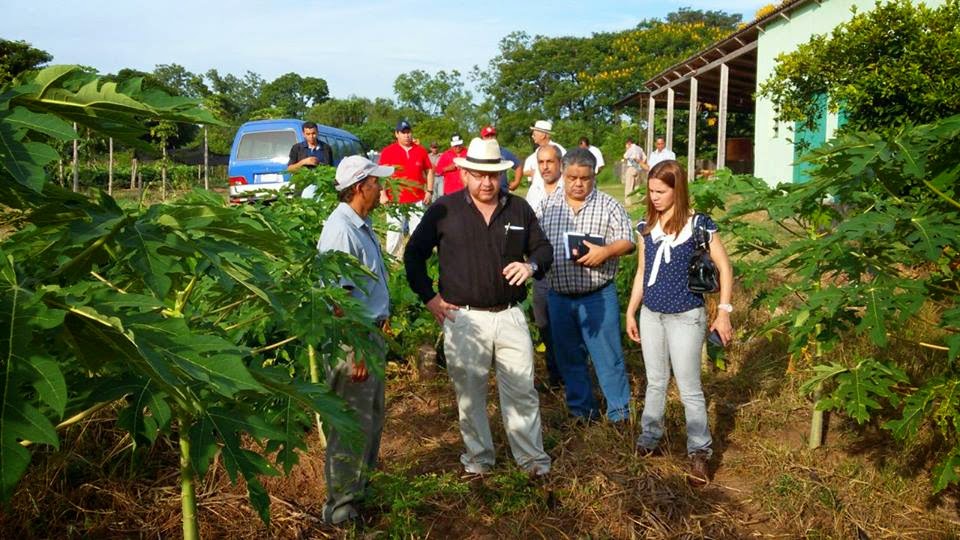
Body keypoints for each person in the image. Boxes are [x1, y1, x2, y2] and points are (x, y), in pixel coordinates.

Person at [404, 137, 553, 477]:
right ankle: (479, 461)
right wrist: (430, 298)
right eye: (479, 174)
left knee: (522, 392)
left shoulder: (518, 209)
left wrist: (530, 267)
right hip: (463, 318)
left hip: (510, 314)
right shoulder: (444, 210)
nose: (487, 182)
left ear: (502, 175)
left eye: (493, 175)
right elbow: (414, 255)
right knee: (470, 396)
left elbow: (543, 249)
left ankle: (531, 462)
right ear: (465, 173)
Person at [624, 159, 734, 487]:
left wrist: (724, 311)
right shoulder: (647, 226)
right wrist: (632, 311)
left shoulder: (698, 225)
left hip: (687, 315)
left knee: (689, 388)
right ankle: (649, 440)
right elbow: (642, 273)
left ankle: (699, 453)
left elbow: (725, 268)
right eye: (651, 191)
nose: (654, 197)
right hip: (652, 315)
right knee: (656, 381)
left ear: (677, 190)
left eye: (661, 191)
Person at [316, 155, 394, 524]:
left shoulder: (359, 224)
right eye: (376, 182)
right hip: (353, 343)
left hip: (367, 337)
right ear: (361, 187)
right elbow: (339, 300)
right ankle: (341, 511)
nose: (381, 187)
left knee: (368, 421)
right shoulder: (342, 230)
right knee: (350, 425)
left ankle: (356, 498)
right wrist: (359, 350)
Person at [540, 148, 634, 423]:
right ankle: (583, 411)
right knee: (569, 357)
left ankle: (620, 414)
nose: (578, 184)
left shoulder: (608, 205)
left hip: (597, 294)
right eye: (572, 178)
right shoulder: (548, 205)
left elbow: (628, 240)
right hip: (558, 295)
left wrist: (605, 252)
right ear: (563, 175)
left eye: (585, 178)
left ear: (594, 176)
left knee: (608, 357)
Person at [529, 144, 565, 391]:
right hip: (541, 270)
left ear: (560, 163)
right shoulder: (534, 191)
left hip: (566, 269)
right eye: (541, 163)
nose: (545, 167)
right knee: (543, 323)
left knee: (566, 326)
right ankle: (555, 376)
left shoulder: (571, 187)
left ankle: (573, 377)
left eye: (550, 162)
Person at [379, 120, 436, 256]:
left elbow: (429, 171)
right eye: (403, 133)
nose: (407, 135)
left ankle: (419, 259)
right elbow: (381, 174)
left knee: (418, 231)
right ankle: (392, 261)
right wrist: (383, 194)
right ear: (397, 134)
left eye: (408, 132)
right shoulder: (388, 151)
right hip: (395, 200)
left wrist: (429, 191)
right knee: (395, 232)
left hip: (416, 199)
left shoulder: (420, 151)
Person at [523, 120, 566, 212]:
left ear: (543, 135)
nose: (532, 136)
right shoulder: (538, 151)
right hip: (537, 195)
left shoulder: (558, 150)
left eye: (534, 134)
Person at [480, 125, 523, 192]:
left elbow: (518, 166)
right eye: (487, 136)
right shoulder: (477, 153)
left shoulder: (503, 152)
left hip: (502, 191)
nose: (490, 138)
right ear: (482, 138)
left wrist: (516, 182)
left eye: (492, 136)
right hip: (484, 191)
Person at [622, 137, 647, 203]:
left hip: (632, 167)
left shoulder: (631, 148)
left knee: (629, 185)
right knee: (637, 186)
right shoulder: (639, 148)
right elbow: (645, 157)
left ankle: (628, 201)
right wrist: (641, 163)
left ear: (628, 143)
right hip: (638, 167)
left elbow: (625, 156)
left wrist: (627, 149)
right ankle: (641, 199)